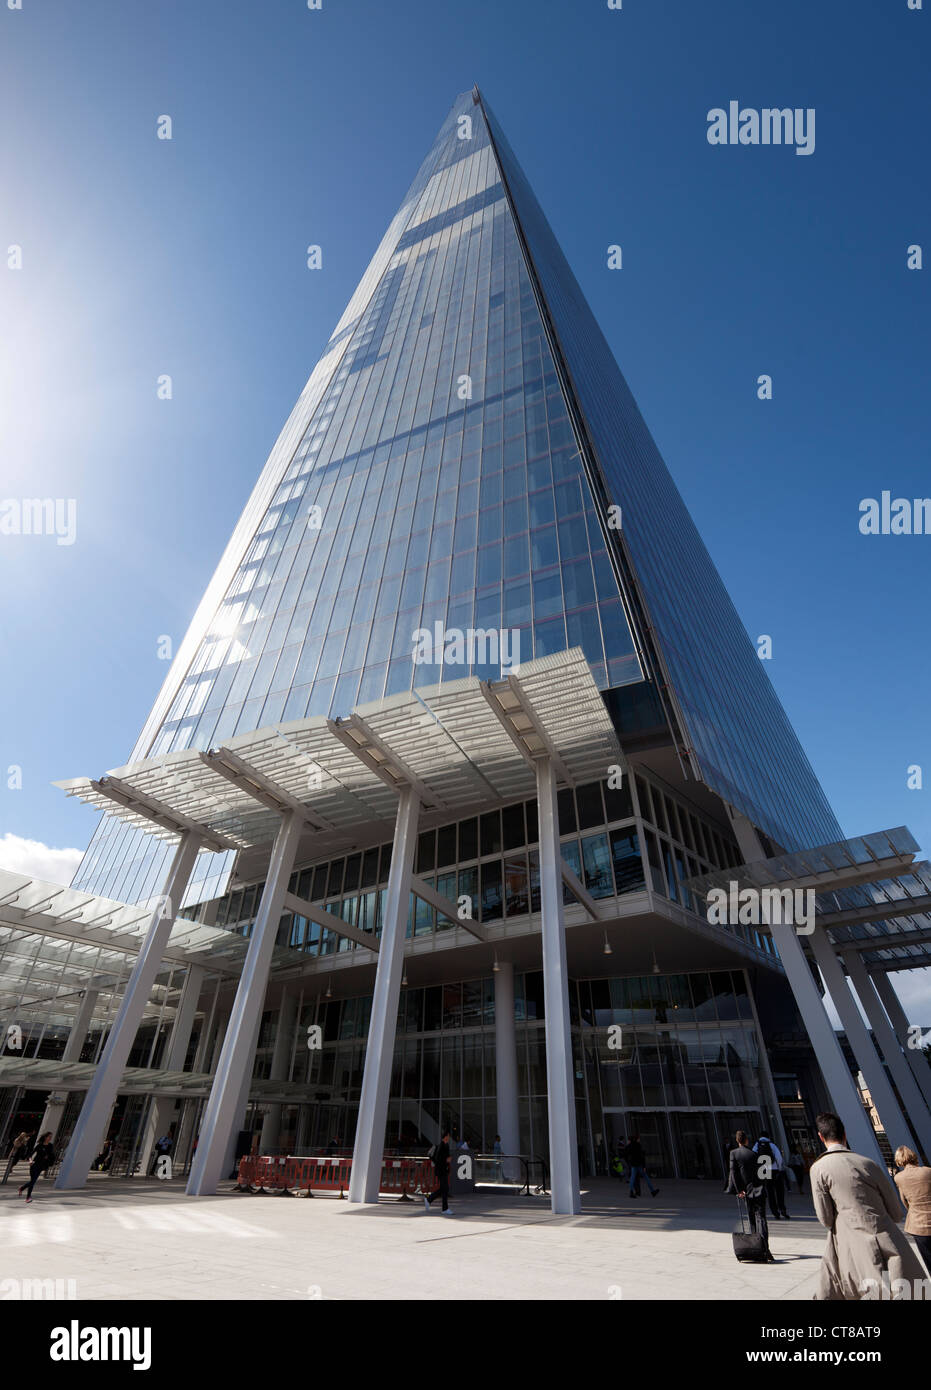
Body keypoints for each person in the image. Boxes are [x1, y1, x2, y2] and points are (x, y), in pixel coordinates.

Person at [811, 1111, 926, 1300]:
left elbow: (826, 1218)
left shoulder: (819, 1168)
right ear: (845, 1134)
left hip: (852, 1246)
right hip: (889, 1241)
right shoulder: (869, 1163)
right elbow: (896, 1213)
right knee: (906, 1291)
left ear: (821, 1137)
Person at [729, 1129, 774, 1263]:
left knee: (751, 1218)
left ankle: (756, 1247)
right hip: (759, 1190)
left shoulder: (734, 1154)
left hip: (747, 1191)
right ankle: (765, 1247)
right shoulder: (755, 1154)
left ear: (737, 1141)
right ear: (746, 1140)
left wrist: (739, 1190)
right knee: (762, 1218)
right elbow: (764, 1173)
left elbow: (734, 1174)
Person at [893, 1145, 931, 1276]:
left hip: (918, 1225)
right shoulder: (928, 1171)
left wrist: (914, 1210)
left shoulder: (899, 1178)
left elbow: (904, 1201)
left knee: (929, 1260)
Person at [753, 1132, 790, 1219]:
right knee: (779, 1191)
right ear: (768, 1136)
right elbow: (779, 1158)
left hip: (763, 1170)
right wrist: (779, 1168)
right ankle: (782, 1209)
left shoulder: (756, 1146)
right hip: (774, 1169)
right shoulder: (772, 1145)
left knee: (770, 1192)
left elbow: (753, 1157)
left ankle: (775, 1212)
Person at [18, 1132, 55, 1203]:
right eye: (49, 1136)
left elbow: (51, 1155)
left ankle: (22, 1188)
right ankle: (28, 1197)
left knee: (33, 1181)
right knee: (33, 1181)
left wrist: (48, 1158)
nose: (50, 1138)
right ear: (45, 1137)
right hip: (34, 1165)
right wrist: (30, 1161)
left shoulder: (50, 1146)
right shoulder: (39, 1145)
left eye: (51, 1137)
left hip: (41, 1166)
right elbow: (30, 1155)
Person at [424, 1128, 452, 1215]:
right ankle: (444, 1208)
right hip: (441, 1170)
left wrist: (447, 1160)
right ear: (445, 1137)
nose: (449, 1138)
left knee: (444, 1189)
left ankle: (429, 1199)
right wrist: (446, 1160)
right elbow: (438, 1159)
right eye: (448, 1136)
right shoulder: (442, 1146)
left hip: (443, 1170)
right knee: (445, 1189)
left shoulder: (445, 1145)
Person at [625, 1134, 659, 1199]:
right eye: (639, 1139)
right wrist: (644, 1166)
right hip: (639, 1164)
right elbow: (641, 1156)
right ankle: (652, 1191)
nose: (639, 1140)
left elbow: (626, 1153)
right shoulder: (638, 1145)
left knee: (632, 1178)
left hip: (633, 1164)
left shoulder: (630, 1146)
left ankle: (631, 1192)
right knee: (646, 1178)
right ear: (636, 1139)